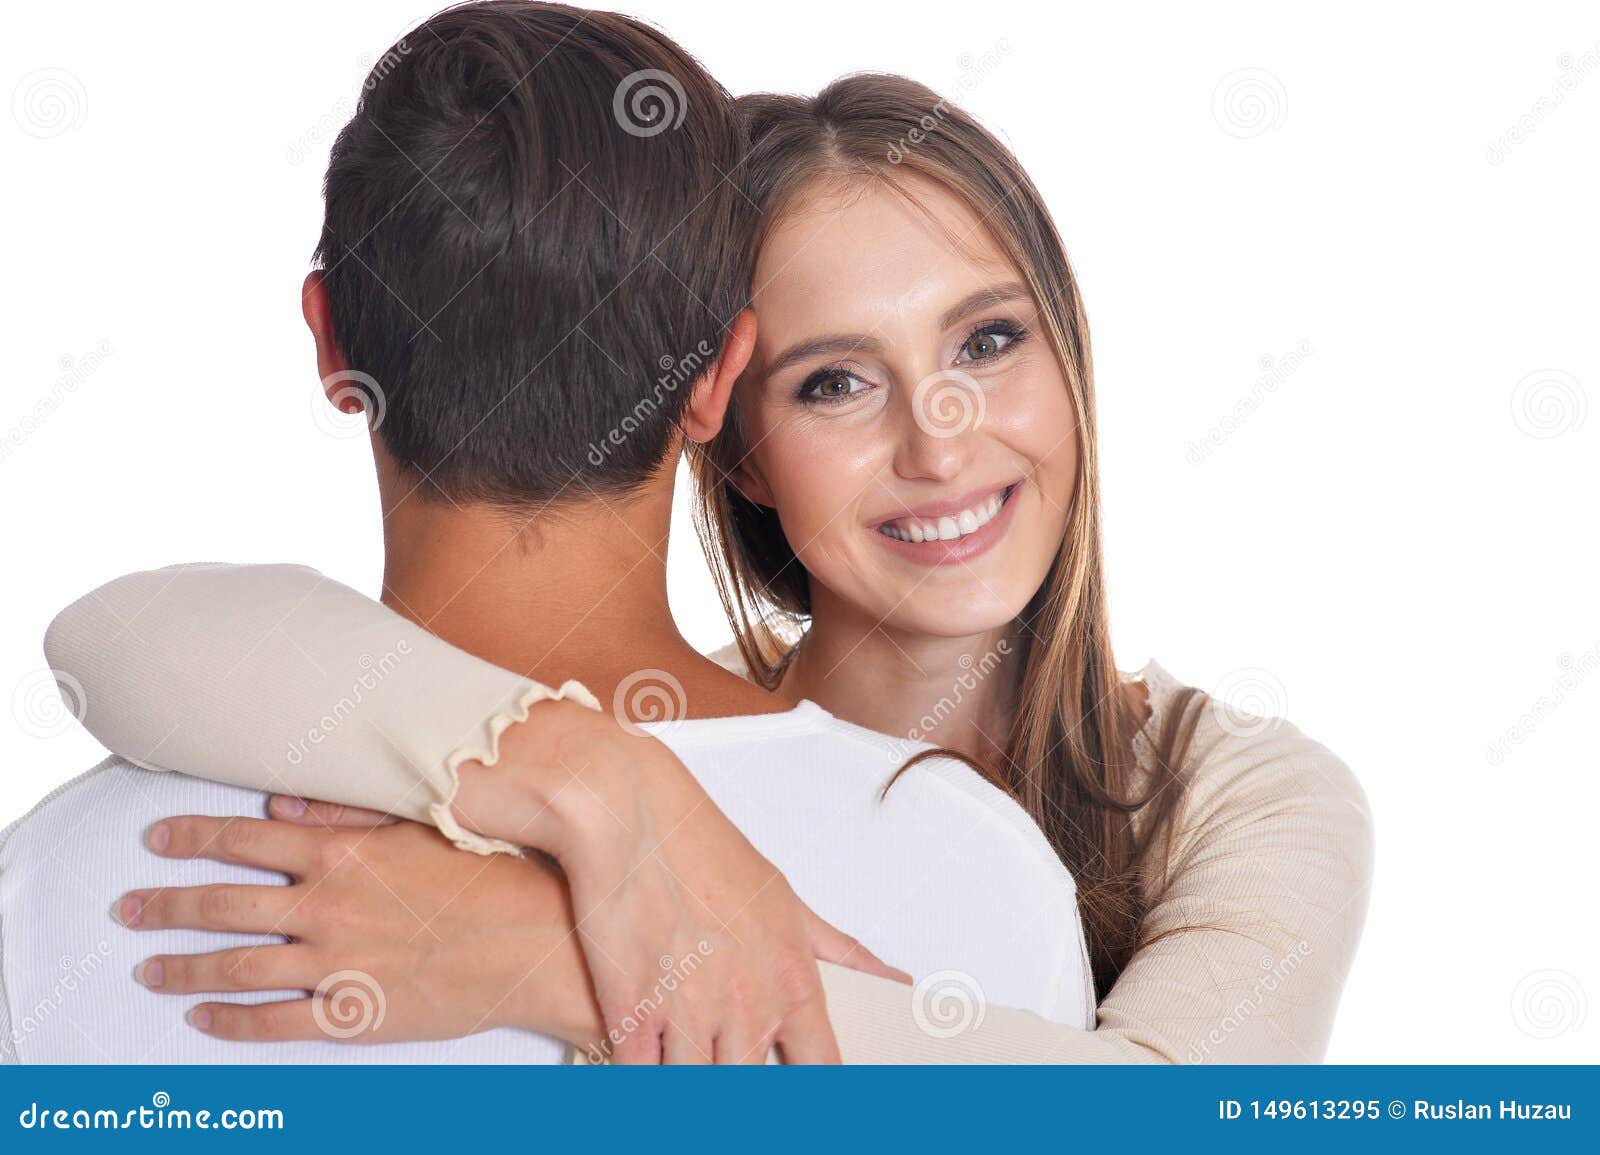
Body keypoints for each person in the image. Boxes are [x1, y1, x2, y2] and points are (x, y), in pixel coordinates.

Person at [36, 26, 1376, 1065]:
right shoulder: (670, 740)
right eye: (834, 382)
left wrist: (549, 954)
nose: (943, 437)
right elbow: (116, 639)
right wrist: (606, 792)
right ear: (723, 412)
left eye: (988, 339)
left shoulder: (1242, 791)